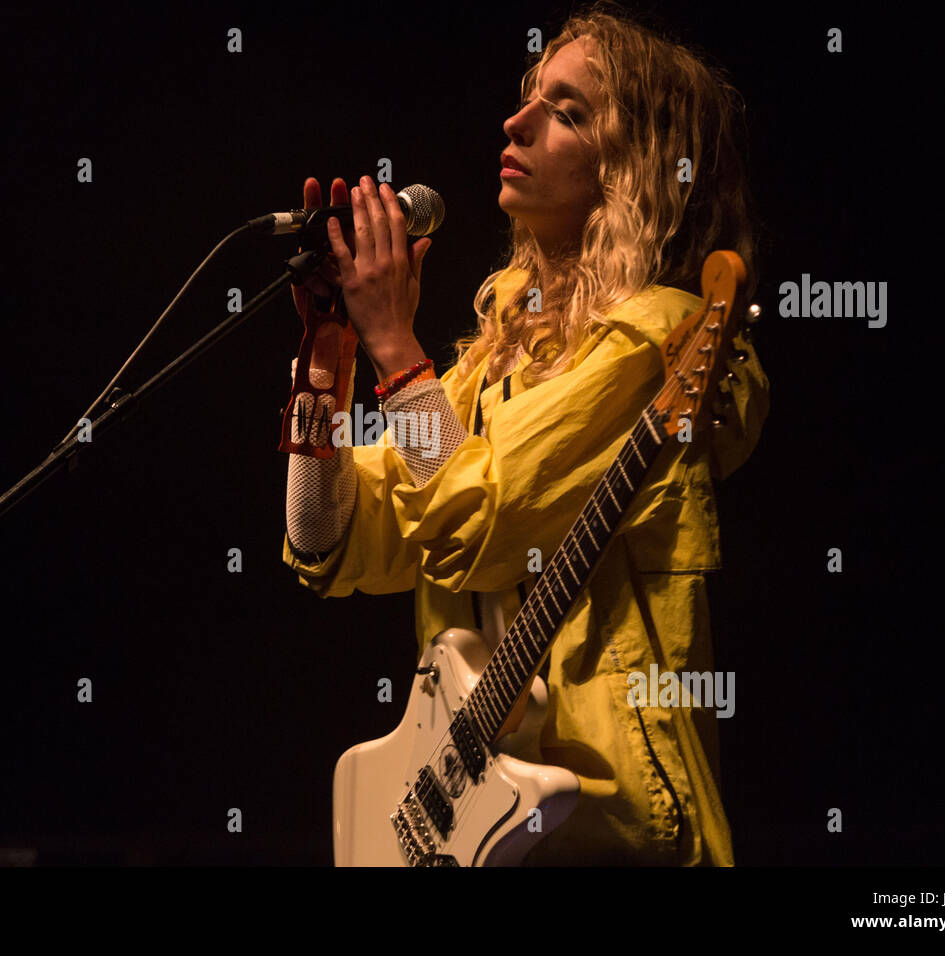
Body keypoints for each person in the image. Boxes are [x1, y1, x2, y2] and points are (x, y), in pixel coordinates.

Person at [281, 1, 768, 866]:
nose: (515, 121)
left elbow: (480, 523)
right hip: (473, 824)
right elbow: (331, 540)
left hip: (615, 829)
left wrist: (396, 347)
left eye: (567, 111)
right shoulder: (493, 363)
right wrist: (329, 364)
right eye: (527, 97)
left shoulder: (659, 338)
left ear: (637, 168)